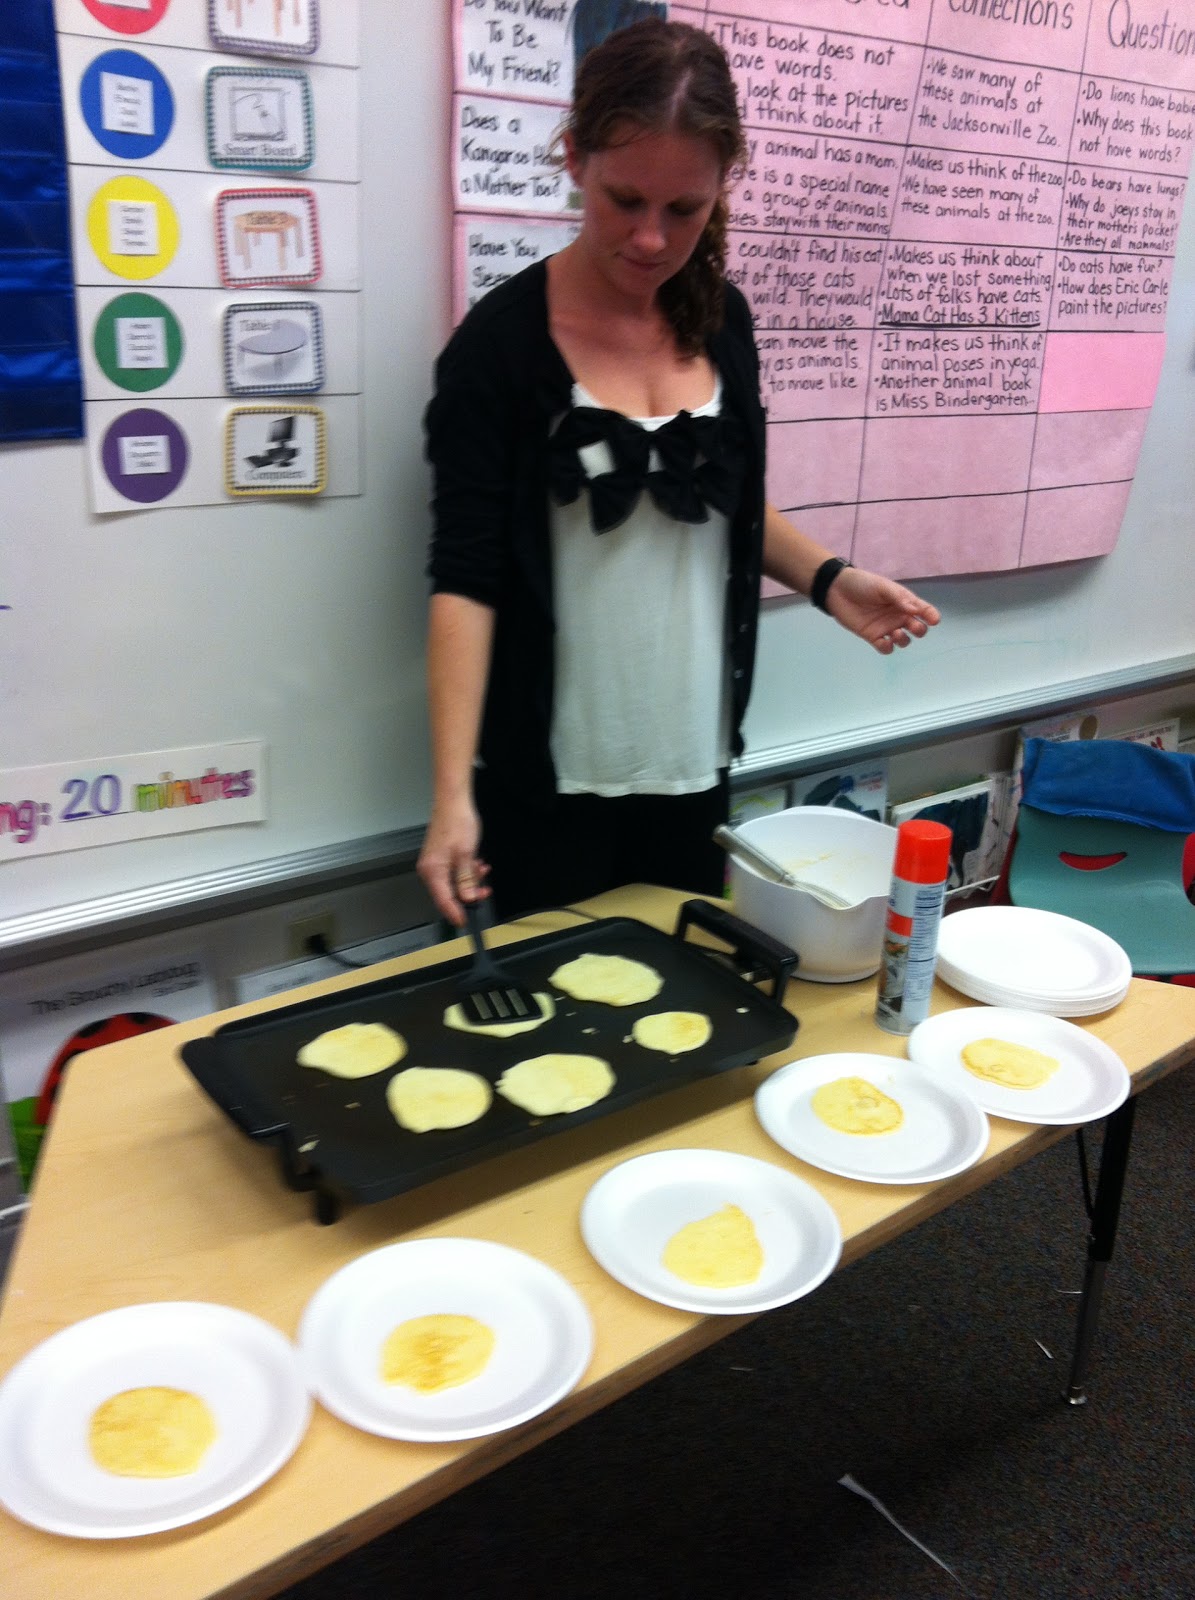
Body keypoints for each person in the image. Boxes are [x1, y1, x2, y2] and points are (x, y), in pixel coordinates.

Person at [419, 18, 939, 928]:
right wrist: (451, 794)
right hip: (545, 791)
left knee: (681, 1029)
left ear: (720, 187)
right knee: (546, 1048)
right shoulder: (497, 351)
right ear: (574, 156)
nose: (653, 241)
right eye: (625, 201)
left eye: (684, 210)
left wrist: (827, 580)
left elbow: (724, 502)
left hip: (692, 769)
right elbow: (463, 582)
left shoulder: (722, 320)